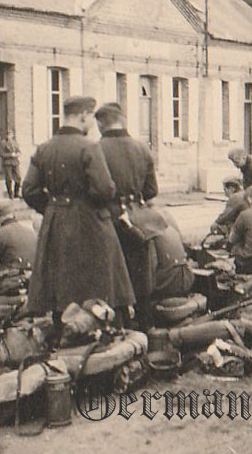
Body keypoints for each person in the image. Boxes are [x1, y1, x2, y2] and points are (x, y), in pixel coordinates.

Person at [21, 96, 135, 336]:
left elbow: (28, 190)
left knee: (60, 286)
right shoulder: (89, 147)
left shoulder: (44, 148)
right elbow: (104, 190)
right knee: (96, 285)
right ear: (83, 115)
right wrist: (85, 203)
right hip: (89, 224)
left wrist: (53, 207)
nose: (92, 123)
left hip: (55, 222)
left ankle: (62, 334)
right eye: (91, 117)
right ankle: (95, 335)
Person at [95, 101, 159, 304]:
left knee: (112, 277)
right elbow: (151, 190)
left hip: (107, 219)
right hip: (137, 218)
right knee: (140, 276)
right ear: (121, 121)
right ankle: (143, 318)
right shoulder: (142, 148)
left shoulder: (96, 150)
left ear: (100, 124)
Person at [0, 130, 22, 199]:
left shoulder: (15, 143)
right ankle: (10, 193)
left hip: (15, 162)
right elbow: (1, 153)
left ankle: (16, 193)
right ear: (6, 135)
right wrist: (10, 155)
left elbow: (19, 151)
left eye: (11, 134)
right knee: (9, 179)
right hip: (7, 163)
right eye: (8, 134)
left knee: (18, 178)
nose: (9, 136)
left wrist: (18, 154)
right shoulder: (3, 143)